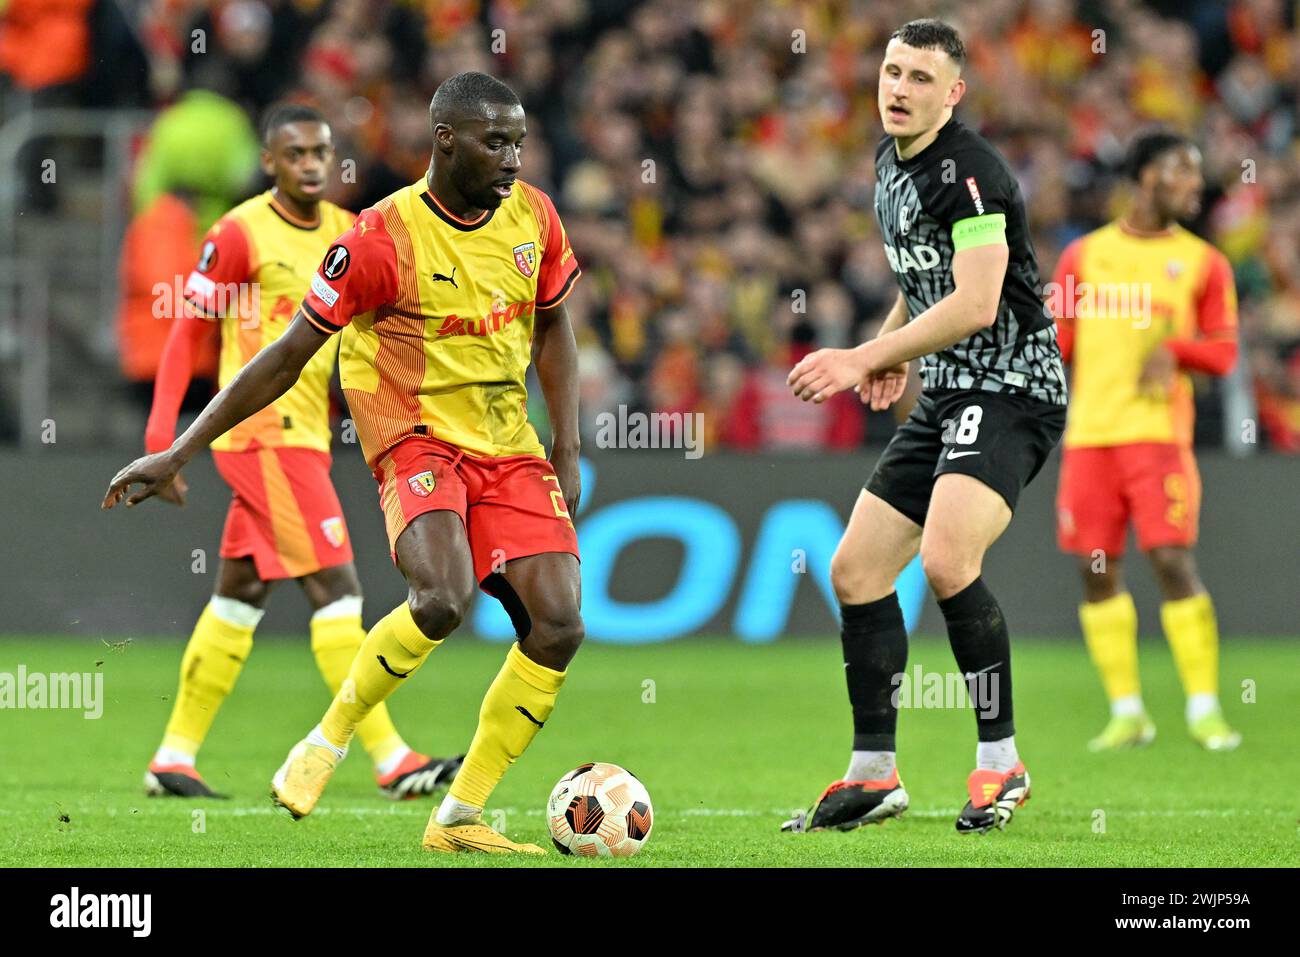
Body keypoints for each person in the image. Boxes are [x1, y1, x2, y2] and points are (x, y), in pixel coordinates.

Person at [105, 74, 584, 855]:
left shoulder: (535, 217)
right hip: (413, 435)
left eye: (519, 142)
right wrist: (179, 446)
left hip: (509, 443)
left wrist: (565, 445)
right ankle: (329, 742)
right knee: (439, 598)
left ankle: (459, 817)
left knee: (560, 624)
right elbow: (286, 355)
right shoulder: (374, 237)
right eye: (496, 142)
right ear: (446, 140)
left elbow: (555, 324)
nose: (513, 158)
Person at [784, 19, 1067, 835]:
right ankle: (874, 773)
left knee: (947, 558)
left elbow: (979, 301)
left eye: (919, 77)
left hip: (1012, 386)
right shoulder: (888, 160)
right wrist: (895, 350)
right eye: (891, 71)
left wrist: (860, 353)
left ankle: (1000, 761)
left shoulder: (968, 173)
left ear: (954, 93)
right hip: (948, 389)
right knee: (856, 571)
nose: (898, 88)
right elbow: (926, 271)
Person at [136, 103, 461, 800]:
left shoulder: (349, 234)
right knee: (337, 588)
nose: (311, 164)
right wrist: (163, 441)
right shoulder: (237, 233)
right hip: (262, 437)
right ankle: (392, 759)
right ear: (269, 162)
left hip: (308, 436)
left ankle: (173, 756)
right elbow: (185, 333)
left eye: (320, 152)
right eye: (296, 154)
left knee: (240, 596)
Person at [1052, 130, 1241, 752]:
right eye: (1182, 171)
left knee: (1169, 559)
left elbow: (1224, 350)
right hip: (1090, 437)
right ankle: (1128, 711)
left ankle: (1205, 707)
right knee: (1094, 570)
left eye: (1197, 172)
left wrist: (1175, 349)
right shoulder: (1082, 257)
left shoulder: (1204, 262)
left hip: (1158, 436)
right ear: (1146, 177)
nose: (1195, 184)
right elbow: (1058, 344)